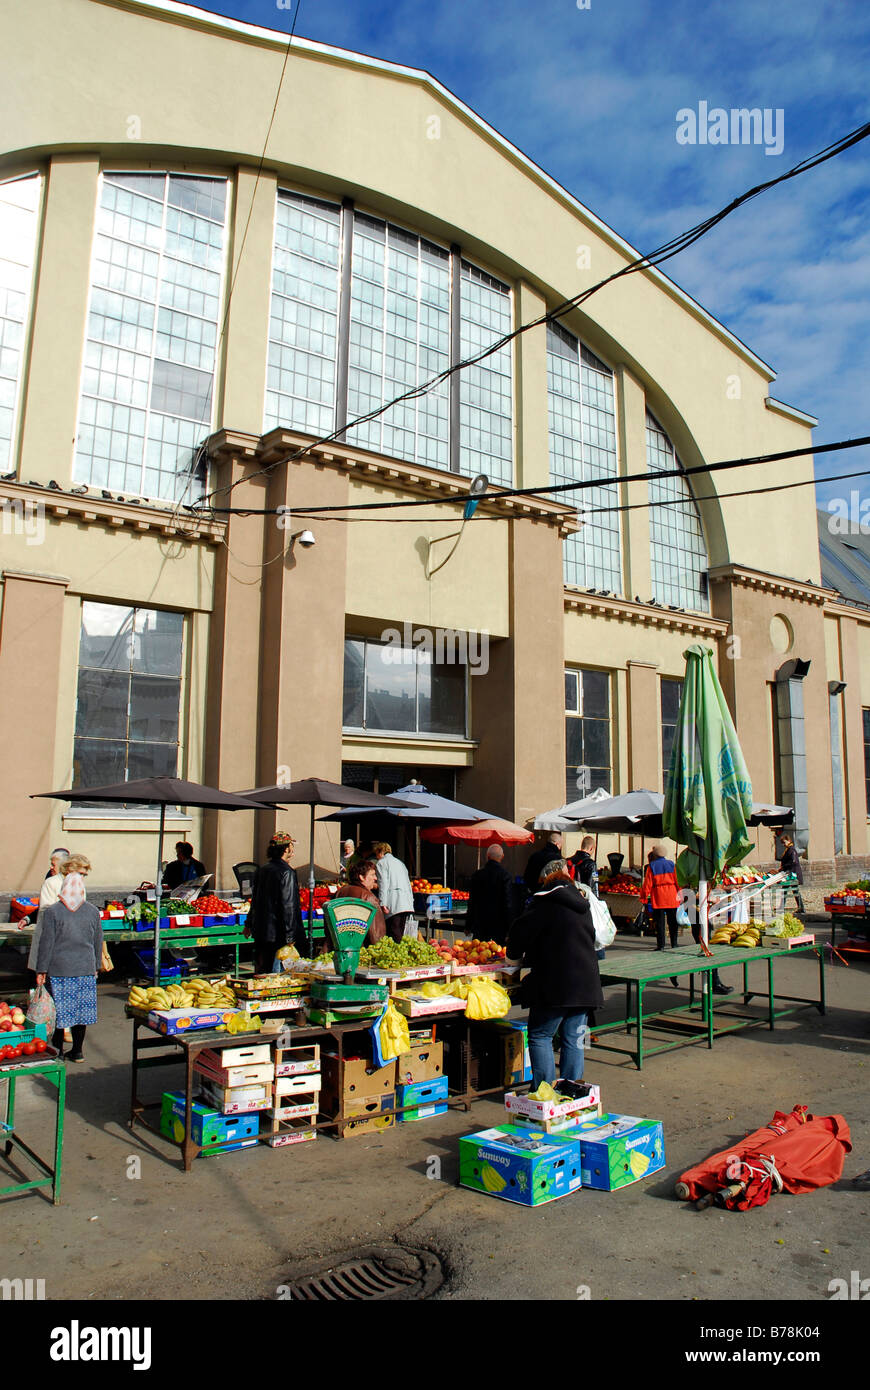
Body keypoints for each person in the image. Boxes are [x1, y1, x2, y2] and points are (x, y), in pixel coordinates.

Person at [507, 860, 602, 1087]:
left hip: (555, 983)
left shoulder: (543, 904)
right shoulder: (583, 903)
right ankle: (572, 1091)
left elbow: (518, 938)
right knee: (574, 1040)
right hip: (586, 984)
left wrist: (513, 959)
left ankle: (545, 1092)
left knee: (540, 1035)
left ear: (544, 882)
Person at [34, 859, 102, 1062]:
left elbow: (46, 943)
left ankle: (59, 1053)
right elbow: (98, 940)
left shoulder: (53, 911)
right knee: (81, 1012)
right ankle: (78, 1052)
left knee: (60, 1012)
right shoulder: (92, 911)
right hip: (85, 969)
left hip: (59, 970)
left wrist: (41, 970)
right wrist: (96, 966)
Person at [244, 832, 304, 973]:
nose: (293, 849)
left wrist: (248, 924)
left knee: (262, 973)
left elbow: (255, 900)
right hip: (279, 935)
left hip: (262, 932)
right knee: (277, 977)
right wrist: (290, 936)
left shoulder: (262, 870)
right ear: (286, 849)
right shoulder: (287, 872)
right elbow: (288, 906)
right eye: (291, 846)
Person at [28, 850, 83, 972]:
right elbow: (45, 910)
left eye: (53, 864)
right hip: (51, 935)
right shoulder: (50, 883)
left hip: (69, 937)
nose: (51, 867)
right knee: (47, 972)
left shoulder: (77, 882)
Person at [467, 844, 515, 945]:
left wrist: (468, 925)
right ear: (502, 857)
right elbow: (508, 904)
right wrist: (510, 929)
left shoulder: (477, 875)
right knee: (498, 956)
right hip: (499, 927)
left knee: (478, 955)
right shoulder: (506, 876)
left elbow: (472, 902)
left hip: (480, 926)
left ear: (487, 856)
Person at [372, 842, 414, 942]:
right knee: (400, 931)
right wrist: (411, 901)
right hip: (406, 901)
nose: (377, 857)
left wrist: (383, 903)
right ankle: (400, 953)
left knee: (393, 933)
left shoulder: (381, 863)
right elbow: (408, 883)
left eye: (376, 854)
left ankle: (395, 954)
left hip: (393, 902)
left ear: (380, 852)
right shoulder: (400, 863)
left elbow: (383, 884)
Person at [338, 859, 387, 943]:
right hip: (361, 949)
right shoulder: (369, 898)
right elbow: (377, 935)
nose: (375, 878)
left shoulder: (340, 892)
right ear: (361, 877)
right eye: (372, 875)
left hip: (339, 945)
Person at [523, 832, 563, 898]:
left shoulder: (535, 855)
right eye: (561, 845)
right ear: (557, 844)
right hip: (549, 894)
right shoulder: (557, 858)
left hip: (534, 893)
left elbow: (527, 876)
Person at [777, 835, 806, 913]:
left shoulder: (791, 850)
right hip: (789, 873)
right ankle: (800, 908)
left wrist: (783, 867)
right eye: (782, 843)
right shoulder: (789, 849)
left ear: (788, 840)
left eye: (784, 842)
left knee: (790, 890)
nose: (783, 844)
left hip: (792, 874)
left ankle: (801, 908)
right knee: (789, 890)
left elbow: (793, 862)